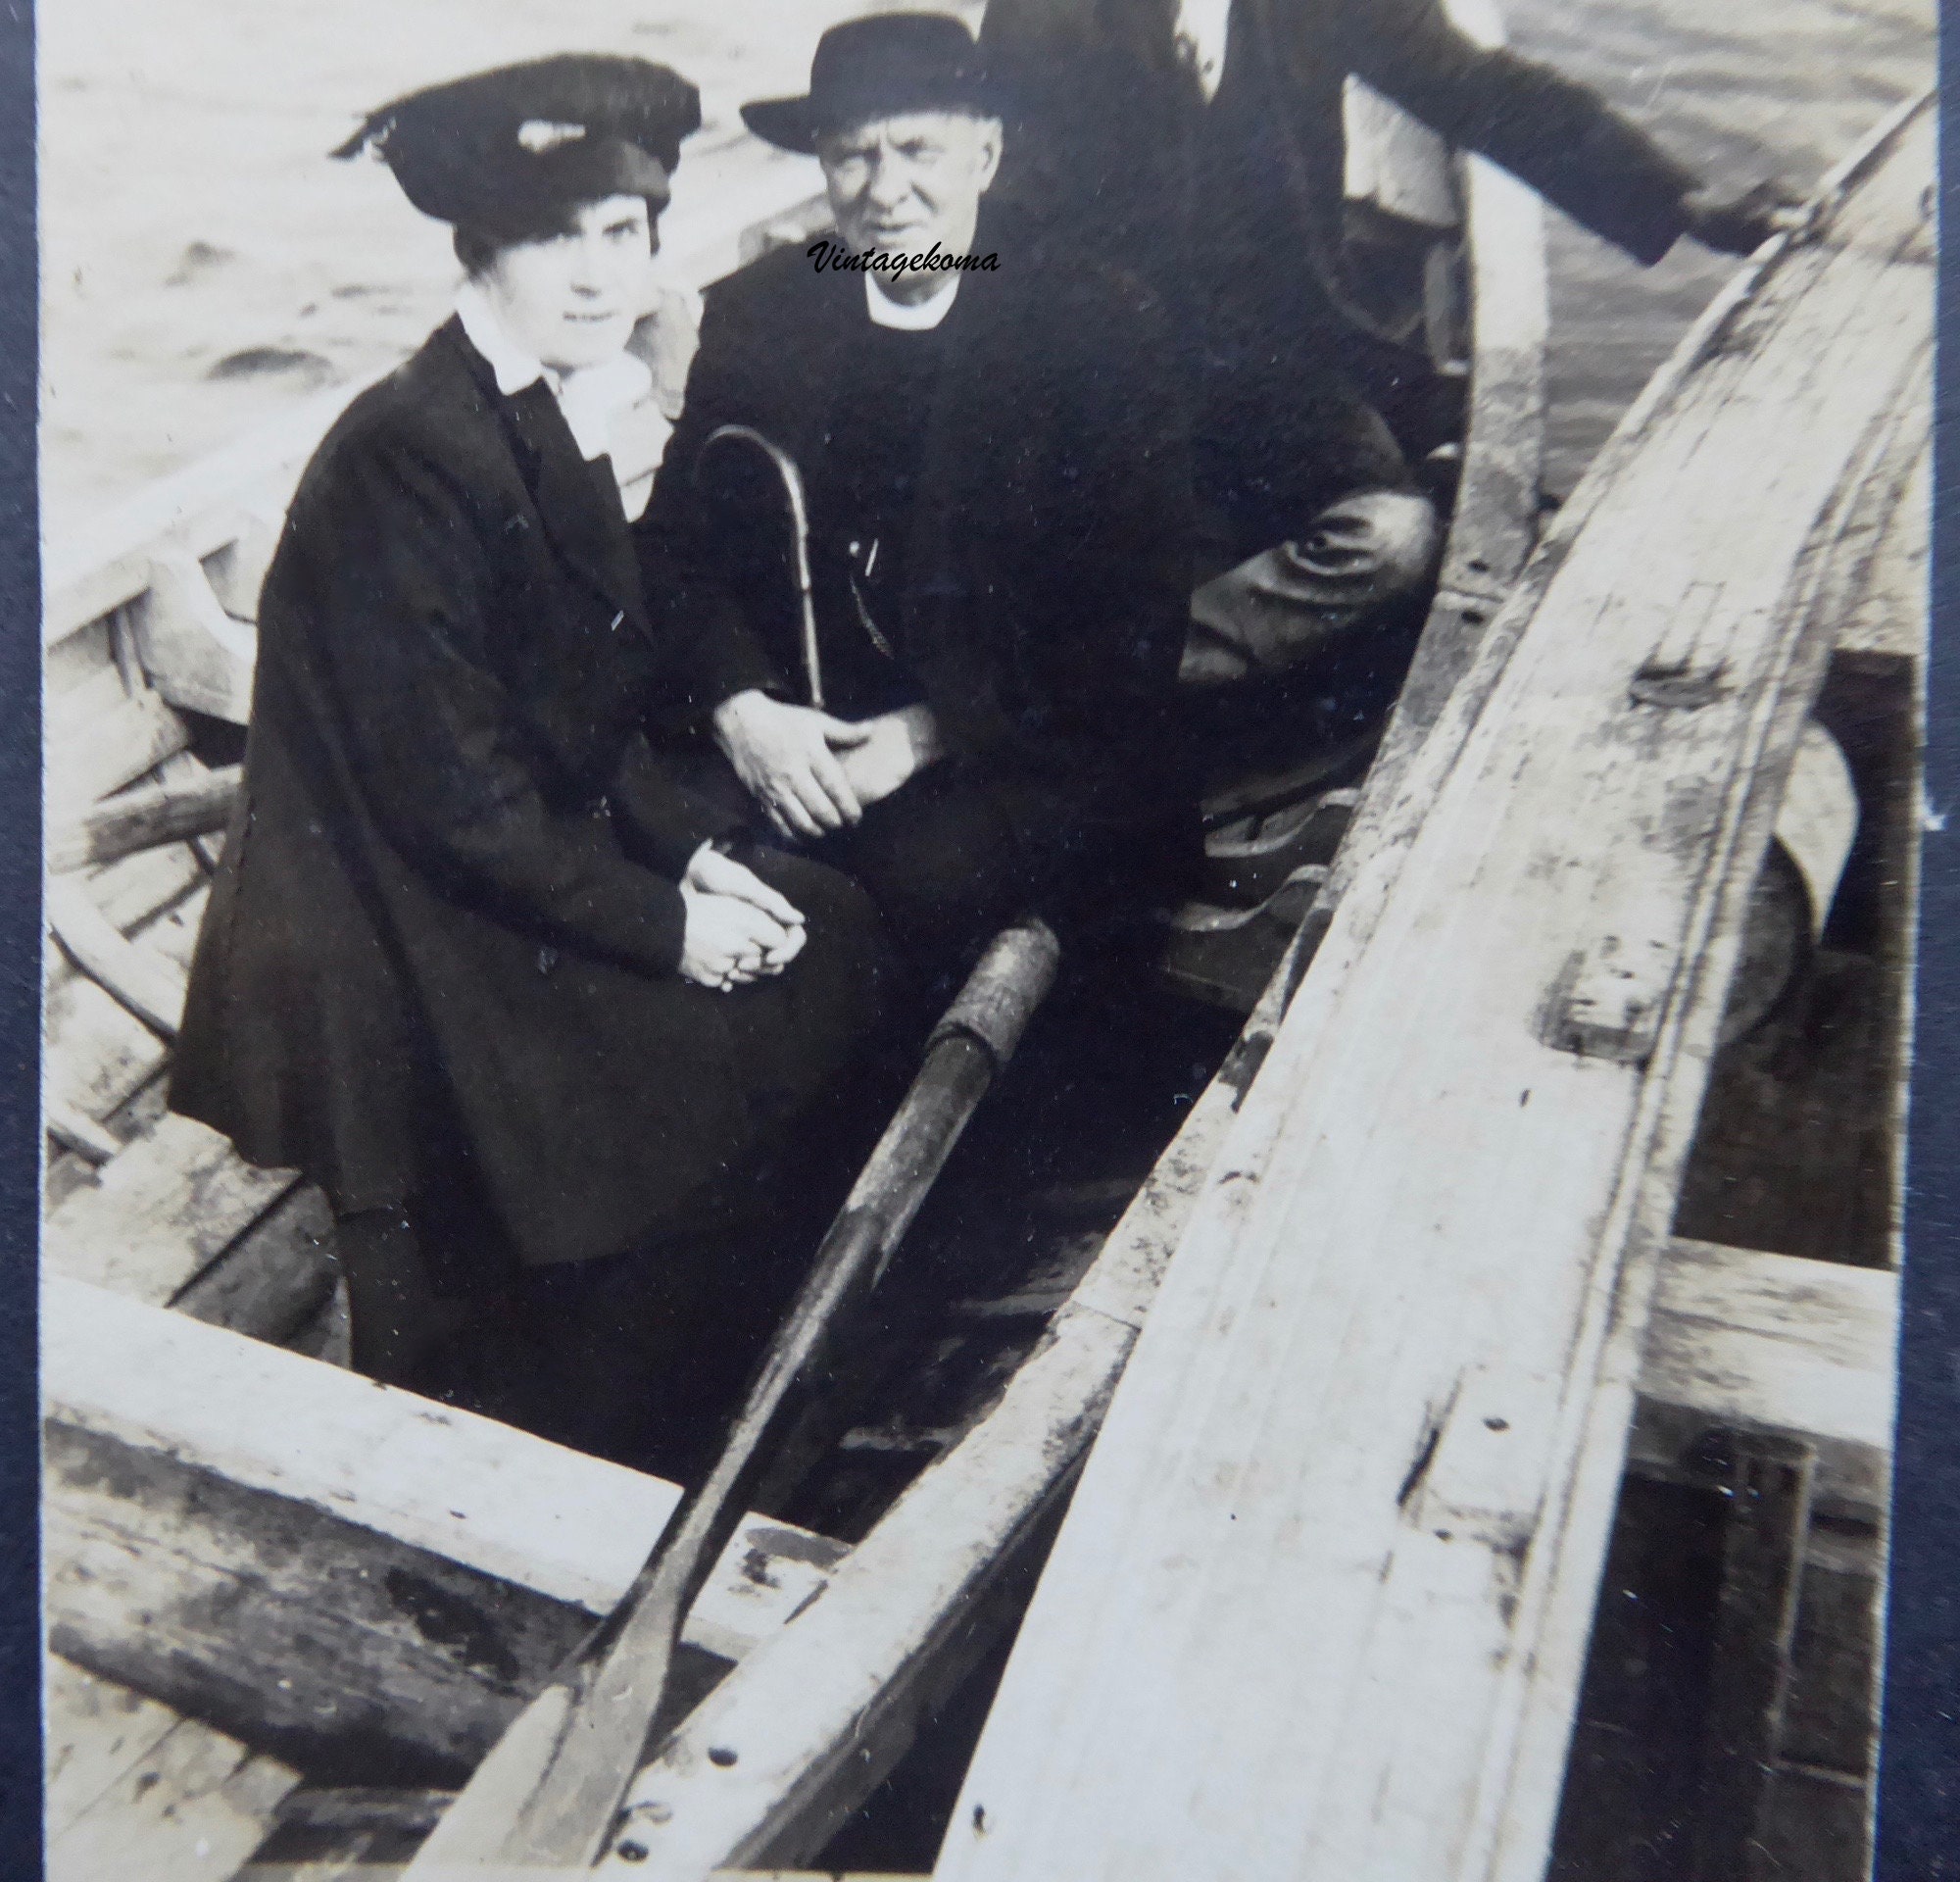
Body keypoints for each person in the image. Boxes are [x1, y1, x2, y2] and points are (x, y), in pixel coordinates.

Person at [170, 55, 894, 1479]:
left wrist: (692, 857)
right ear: (478, 245)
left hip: (477, 873)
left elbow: (583, 712)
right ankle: (603, 1421)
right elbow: (461, 804)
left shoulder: (539, 412)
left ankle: (708, 1382)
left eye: (623, 236)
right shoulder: (409, 456)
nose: (597, 275)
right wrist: (673, 929)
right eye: (553, 238)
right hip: (383, 937)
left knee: (835, 931)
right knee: (745, 1018)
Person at [979, 0, 1807, 773]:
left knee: (1395, 540)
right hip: (1094, 371)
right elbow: (1002, 218)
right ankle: (1084, 687)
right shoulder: (1048, 15)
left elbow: (1480, 89)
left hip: (1273, 363)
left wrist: (1683, 202)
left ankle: (1110, 679)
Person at [637, 13, 1196, 1002]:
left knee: (895, 889)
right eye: (852, 155)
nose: (884, 189)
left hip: (1021, 749)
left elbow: (1127, 633)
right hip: (802, 737)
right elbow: (674, 554)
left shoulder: (1098, 322)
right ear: (820, 164)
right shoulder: (765, 310)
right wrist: (741, 710)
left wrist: (921, 735)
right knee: (657, 833)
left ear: (984, 152)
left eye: (916, 150)